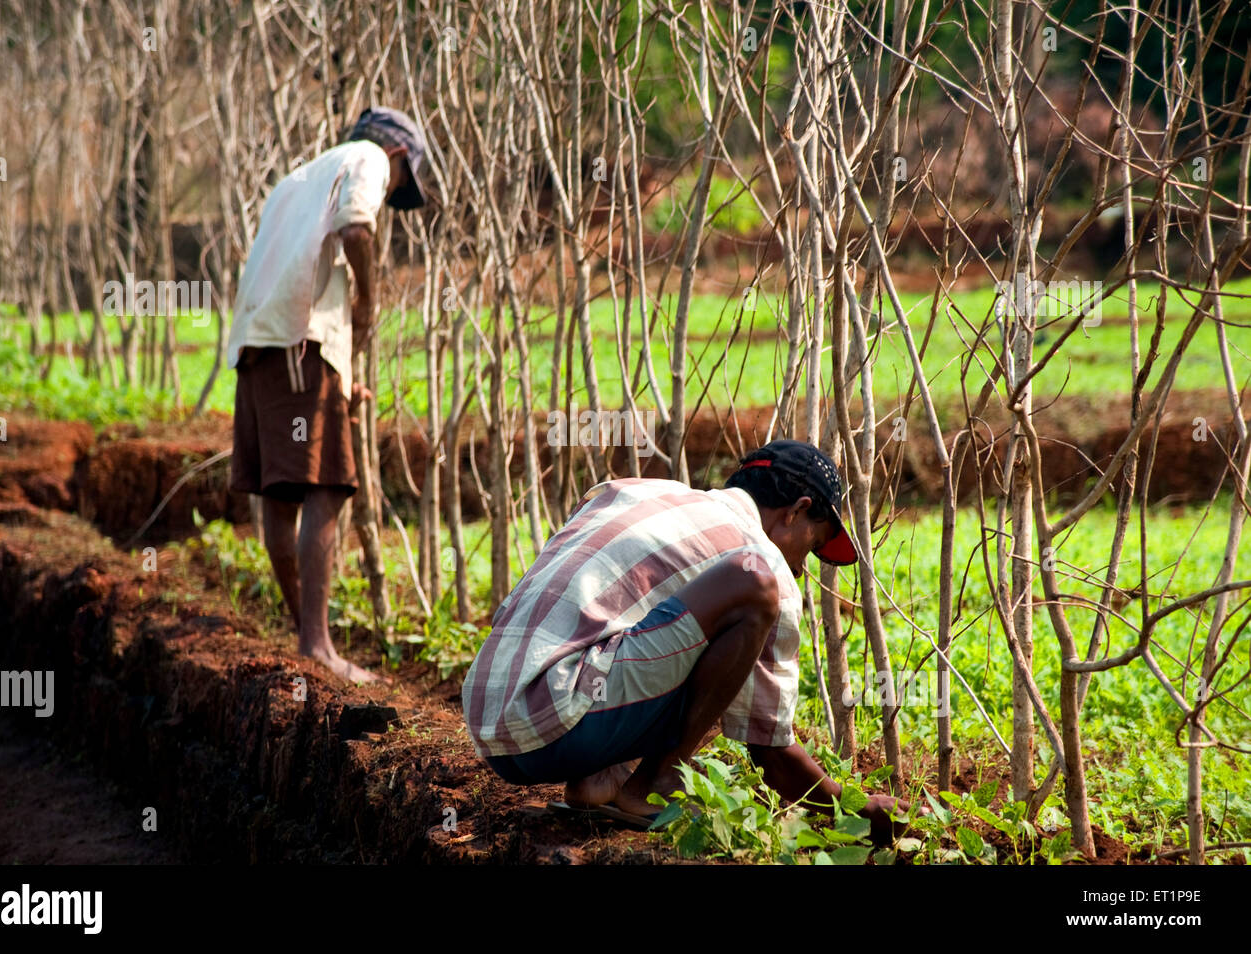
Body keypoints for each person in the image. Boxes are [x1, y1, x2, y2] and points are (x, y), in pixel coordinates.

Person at [462, 439, 911, 843]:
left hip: (489, 719)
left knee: (656, 621)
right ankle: (657, 782)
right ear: (795, 510)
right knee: (750, 586)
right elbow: (768, 746)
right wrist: (853, 806)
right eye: (812, 545)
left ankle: (601, 777)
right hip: (556, 722)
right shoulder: (762, 558)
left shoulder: (640, 491)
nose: (800, 569)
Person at [227, 107, 428, 682]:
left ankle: (306, 638)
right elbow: (357, 229)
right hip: (298, 346)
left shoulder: (297, 181)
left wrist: (337, 385)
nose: (394, 195)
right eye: (401, 185)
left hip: (266, 347)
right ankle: (316, 645)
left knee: (285, 490)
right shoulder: (364, 158)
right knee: (327, 484)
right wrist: (369, 301)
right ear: (396, 156)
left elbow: (302, 267)